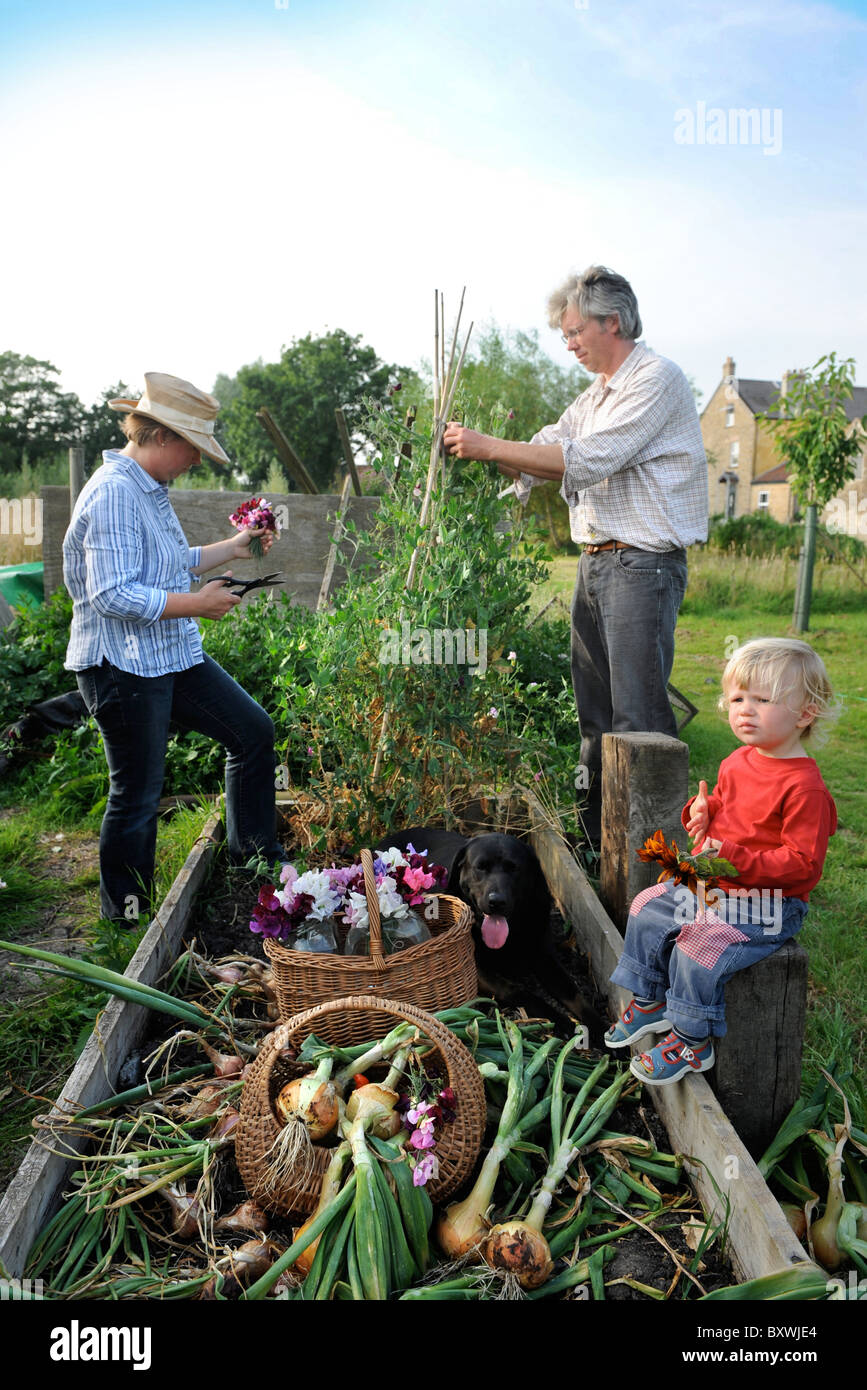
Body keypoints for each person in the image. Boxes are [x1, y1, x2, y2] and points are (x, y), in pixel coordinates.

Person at [443, 266, 708, 849]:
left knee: (638, 722)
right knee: (594, 718)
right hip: (597, 563)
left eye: (573, 331)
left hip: (641, 566)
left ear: (612, 321)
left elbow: (586, 458)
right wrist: (483, 449)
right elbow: (543, 452)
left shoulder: (655, 379)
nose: (567, 344)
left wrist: (490, 446)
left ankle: (652, 861)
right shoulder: (595, 396)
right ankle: (596, 845)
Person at [63, 372, 286, 924]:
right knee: (138, 794)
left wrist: (233, 546)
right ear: (160, 436)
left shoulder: (147, 489)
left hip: (165, 653)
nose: (197, 461)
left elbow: (171, 562)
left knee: (251, 732)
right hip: (121, 665)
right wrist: (197, 605)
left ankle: (254, 860)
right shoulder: (115, 492)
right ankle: (129, 918)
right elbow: (111, 593)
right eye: (194, 448)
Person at [604, 638, 838, 1085]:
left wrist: (732, 855)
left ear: (805, 713)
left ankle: (693, 1040)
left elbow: (803, 864)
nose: (744, 709)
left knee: (700, 944)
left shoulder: (805, 788)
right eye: (736, 699)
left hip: (769, 903)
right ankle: (652, 999)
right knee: (648, 905)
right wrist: (700, 811)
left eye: (762, 700)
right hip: (717, 885)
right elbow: (722, 810)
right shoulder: (737, 761)